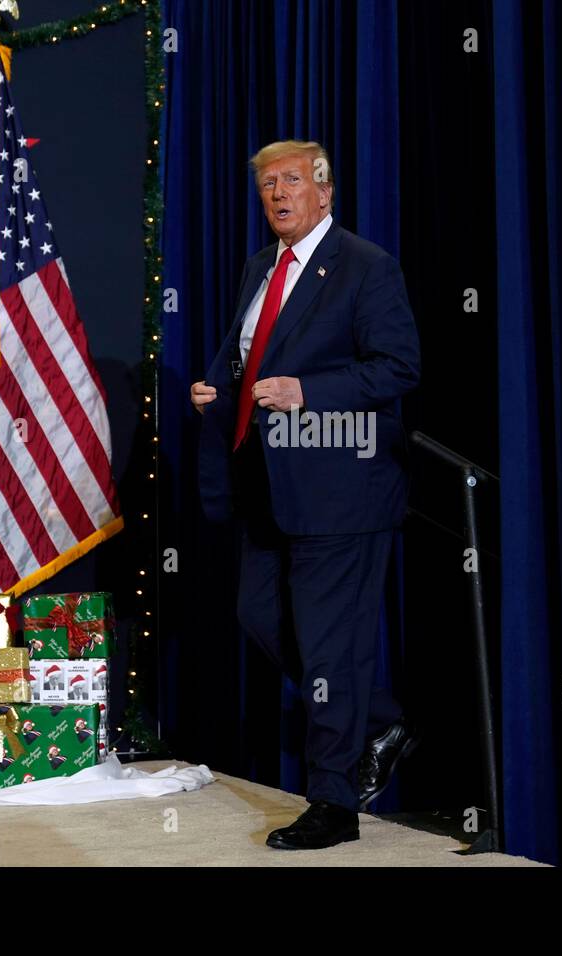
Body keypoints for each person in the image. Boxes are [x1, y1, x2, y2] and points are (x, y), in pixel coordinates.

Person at [192, 140, 422, 850]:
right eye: (267, 186)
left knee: (329, 648)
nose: (277, 195)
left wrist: (310, 392)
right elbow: (250, 358)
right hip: (266, 485)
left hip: (339, 491)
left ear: (324, 191)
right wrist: (219, 393)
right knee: (258, 614)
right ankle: (378, 718)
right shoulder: (261, 266)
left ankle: (335, 803)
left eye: (291, 181)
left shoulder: (365, 266)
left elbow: (398, 367)